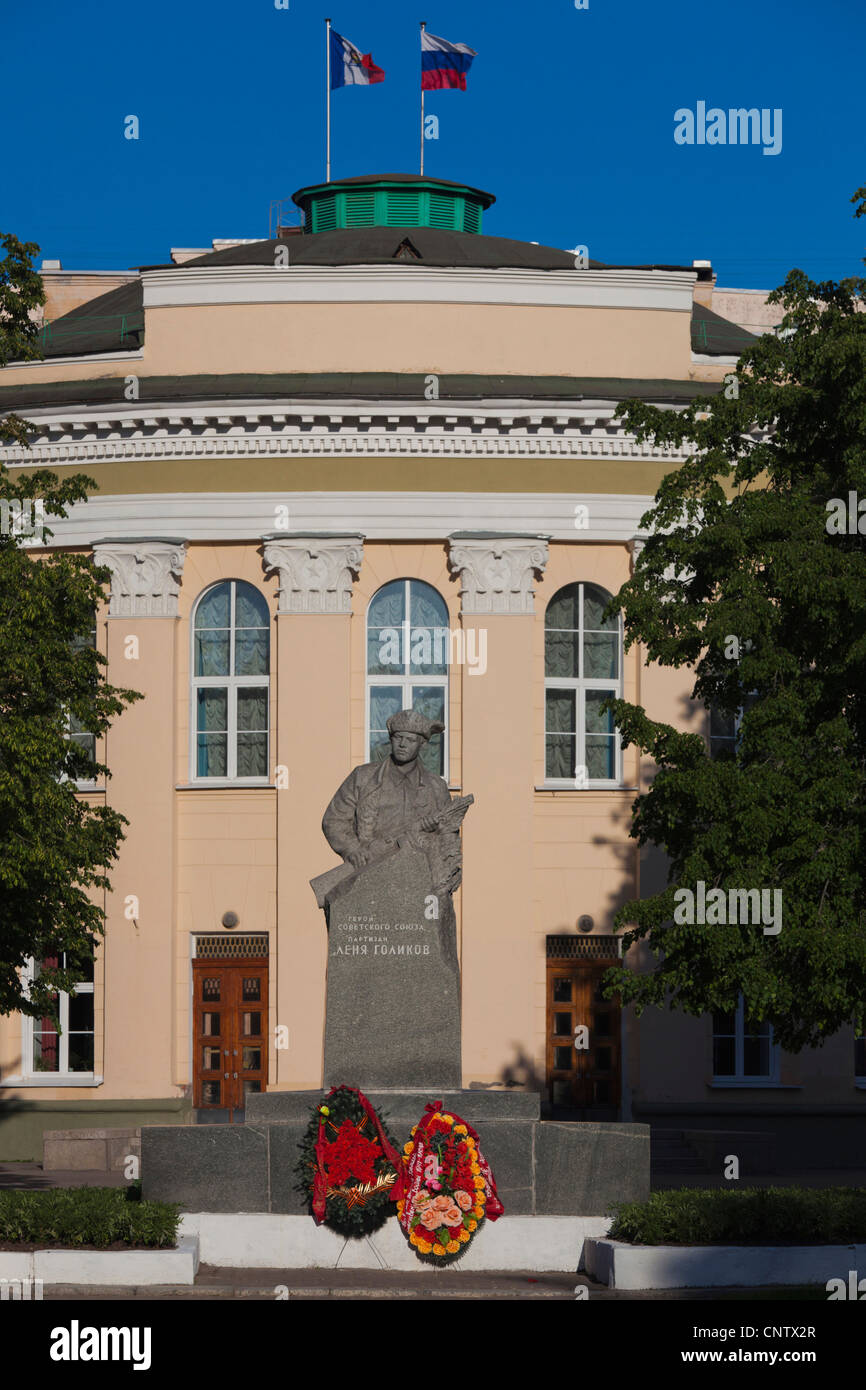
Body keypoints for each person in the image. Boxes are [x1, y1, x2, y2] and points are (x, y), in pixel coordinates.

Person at [321, 709, 462, 896]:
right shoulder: (362, 777)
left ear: (423, 743)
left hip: (418, 880)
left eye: (410, 740)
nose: (402, 744)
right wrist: (352, 849)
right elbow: (334, 820)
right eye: (397, 738)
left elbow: (448, 836)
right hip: (369, 874)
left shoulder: (436, 787)